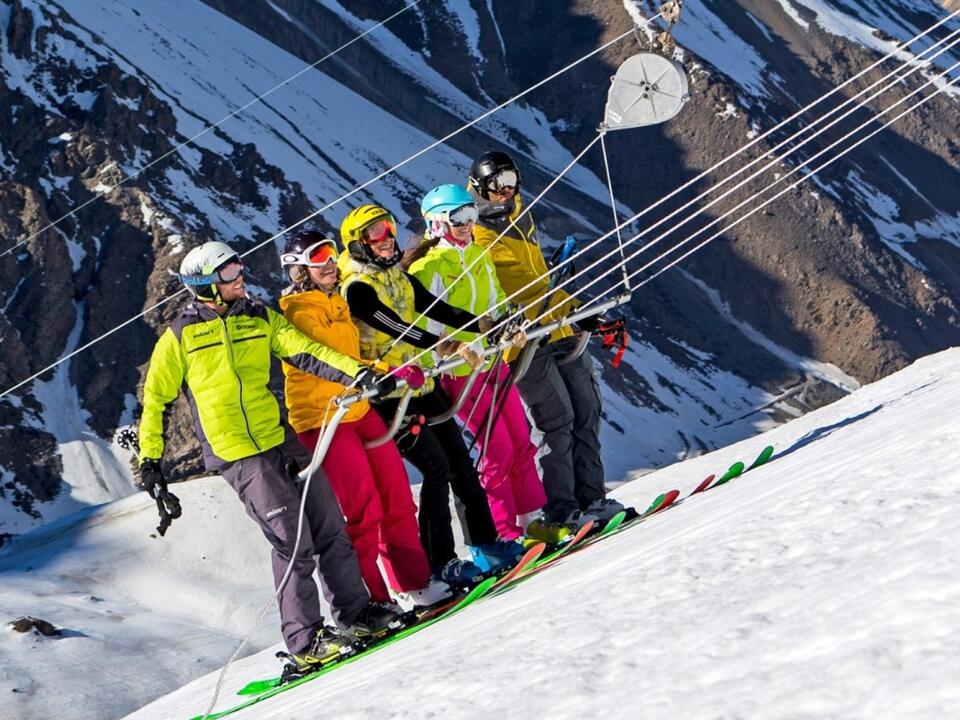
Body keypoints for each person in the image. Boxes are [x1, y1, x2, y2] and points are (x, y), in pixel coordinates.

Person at [137, 240, 400, 672]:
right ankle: (305, 639)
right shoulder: (181, 337)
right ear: (205, 285)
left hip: (278, 436)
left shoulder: (258, 318)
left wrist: (359, 373)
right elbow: (156, 400)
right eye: (229, 274)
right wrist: (150, 461)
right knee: (291, 540)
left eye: (239, 268)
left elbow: (307, 351)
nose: (240, 277)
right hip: (238, 452)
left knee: (328, 523)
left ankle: (355, 614)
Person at [337, 204, 525, 583]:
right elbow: (395, 327)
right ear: (358, 244)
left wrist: (488, 326)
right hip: (388, 395)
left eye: (388, 228)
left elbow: (438, 308)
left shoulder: (397, 276)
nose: (387, 238)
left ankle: (486, 545)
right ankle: (441, 562)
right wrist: (448, 345)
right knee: (436, 469)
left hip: (420, 384)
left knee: (460, 463)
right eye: (375, 233)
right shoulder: (357, 288)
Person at [277, 229, 451, 607]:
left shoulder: (335, 300)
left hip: (357, 407)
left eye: (331, 253)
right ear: (299, 268)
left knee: (397, 495)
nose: (329, 262)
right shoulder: (298, 313)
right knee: (363, 510)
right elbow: (328, 360)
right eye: (318, 257)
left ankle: (414, 582)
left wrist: (389, 370)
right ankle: (372, 599)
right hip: (323, 417)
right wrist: (375, 373)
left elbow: (354, 359)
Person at [468, 151, 632, 530]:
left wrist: (575, 309)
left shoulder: (519, 215)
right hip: (524, 339)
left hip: (557, 326)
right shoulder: (477, 234)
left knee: (586, 409)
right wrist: (560, 309)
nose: (505, 191)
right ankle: (561, 508)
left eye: (511, 182)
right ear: (479, 187)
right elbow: (506, 289)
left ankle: (593, 498)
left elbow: (540, 276)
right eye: (496, 185)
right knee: (557, 420)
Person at [405, 184, 548, 549]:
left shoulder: (478, 254)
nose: (468, 223)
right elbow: (424, 329)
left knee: (521, 439)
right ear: (437, 223)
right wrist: (451, 349)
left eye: (471, 214)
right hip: (459, 374)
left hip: (493, 363)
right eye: (458, 217)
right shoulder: (428, 267)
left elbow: (496, 302)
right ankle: (505, 531)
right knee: (496, 450)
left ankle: (533, 520)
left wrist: (508, 326)